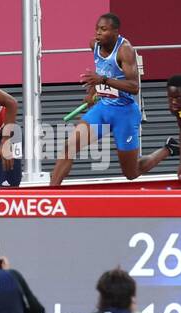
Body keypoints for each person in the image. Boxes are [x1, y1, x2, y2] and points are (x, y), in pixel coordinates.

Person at [49, 13, 143, 187]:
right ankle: (50, 196)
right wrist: (92, 91)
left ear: (115, 32)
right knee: (70, 146)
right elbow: (100, 69)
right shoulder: (94, 45)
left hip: (125, 113)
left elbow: (134, 86)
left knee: (131, 173)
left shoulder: (125, 50)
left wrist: (103, 80)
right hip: (104, 109)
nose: (98, 33)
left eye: (103, 29)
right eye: (97, 28)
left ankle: (167, 149)